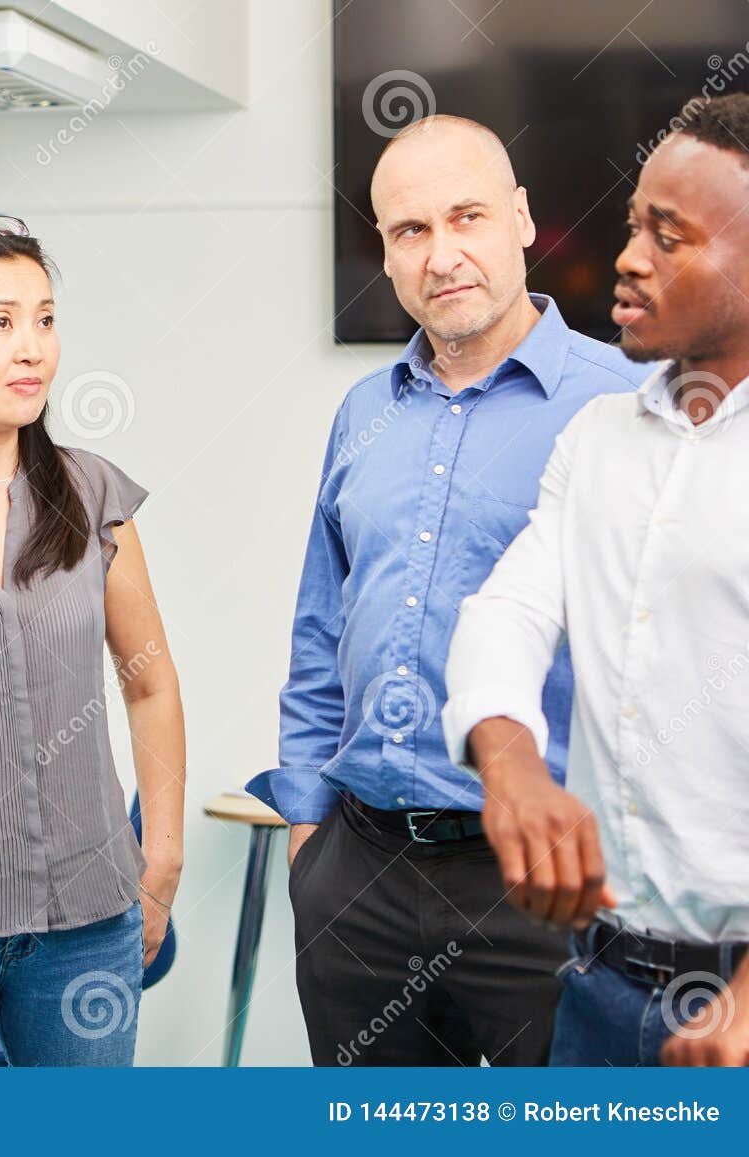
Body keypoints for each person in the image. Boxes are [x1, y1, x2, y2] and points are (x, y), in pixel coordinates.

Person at [247, 116, 648, 1066]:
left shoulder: (627, 405)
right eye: (409, 231)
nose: (442, 254)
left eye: (465, 217)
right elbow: (321, 625)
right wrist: (310, 831)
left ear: (520, 220)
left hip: (546, 884)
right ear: (385, 253)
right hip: (361, 876)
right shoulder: (363, 411)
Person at [444, 94, 749, 1068]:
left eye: (670, 237)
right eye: (632, 226)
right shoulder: (598, 437)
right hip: (598, 988)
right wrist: (513, 766)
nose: (627, 258)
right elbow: (509, 610)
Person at [0, 218, 185, 1067]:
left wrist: (158, 854)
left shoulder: (91, 491)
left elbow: (150, 683)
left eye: (45, 320)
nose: (33, 350)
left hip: (90, 917)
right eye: (1, 321)